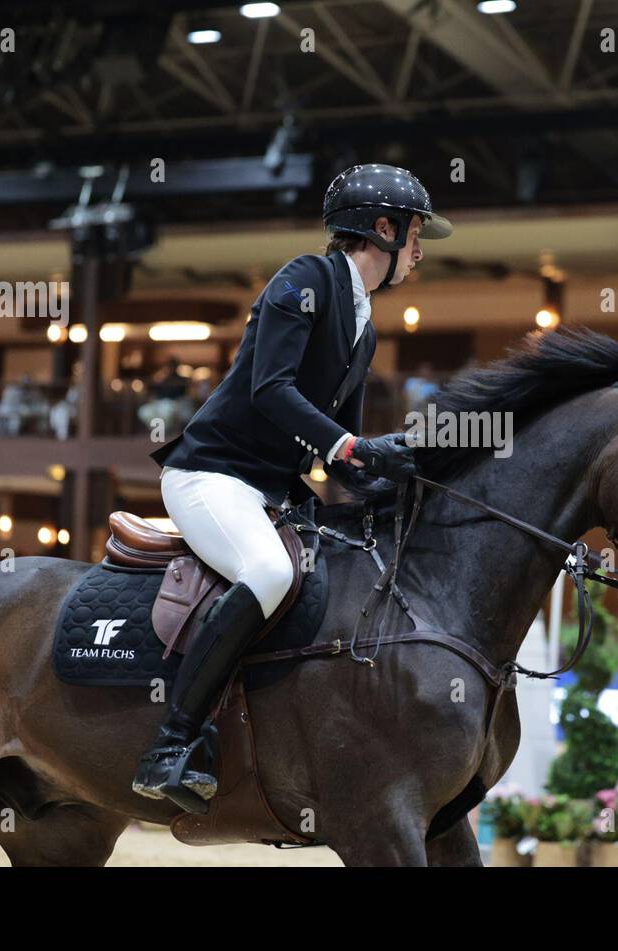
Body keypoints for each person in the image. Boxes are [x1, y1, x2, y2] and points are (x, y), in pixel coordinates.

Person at [136, 164, 452, 813]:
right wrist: (351, 447)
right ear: (384, 229)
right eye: (416, 234)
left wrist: (402, 470)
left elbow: (345, 454)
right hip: (212, 475)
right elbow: (270, 389)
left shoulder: (363, 327)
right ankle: (171, 745)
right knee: (270, 572)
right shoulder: (304, 279)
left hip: (273, 491)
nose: (420, 251)